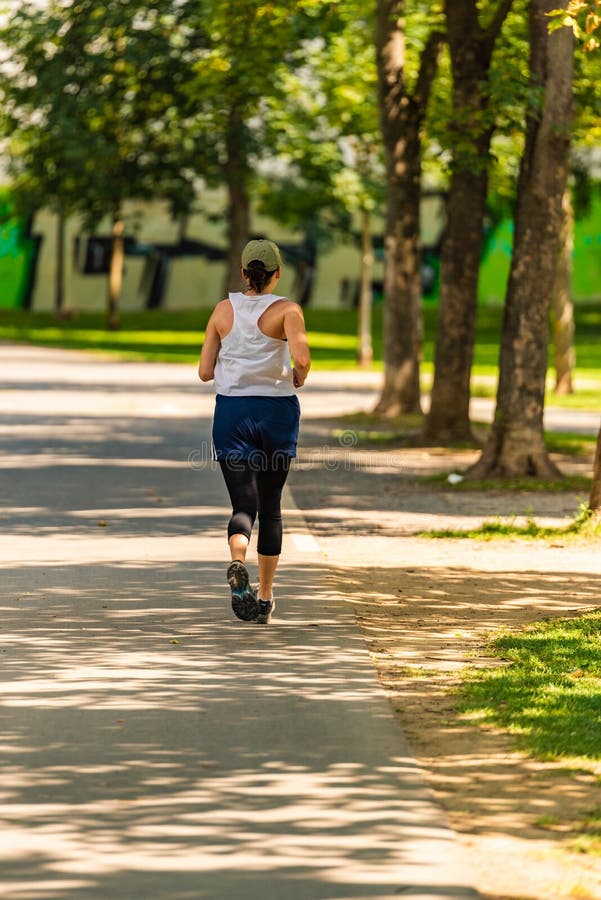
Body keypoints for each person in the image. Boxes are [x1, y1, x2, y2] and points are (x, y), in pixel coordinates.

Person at [198, 238, 311, 624]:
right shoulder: (288, 310)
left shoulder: (221, 311)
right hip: (276, 413)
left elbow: (204, 372)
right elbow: (303, 358)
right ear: (277, 273)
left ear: (244, 273)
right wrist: (297, 374)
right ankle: (264, 597)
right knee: (272, 507)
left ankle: (236, 561)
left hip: (232, 413)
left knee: (243, 506)